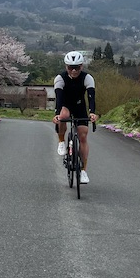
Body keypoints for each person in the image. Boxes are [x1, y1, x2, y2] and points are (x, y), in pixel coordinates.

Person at [53, 51, 97, 183]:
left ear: (81, 66)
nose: (73, 70)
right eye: (70, 67)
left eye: (76, 67)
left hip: (79, 106)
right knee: (63, 115)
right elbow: (59, 98)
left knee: (83, 135)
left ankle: (83, 170)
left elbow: (91, 97)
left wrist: (92, 112)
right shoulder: (60, 78)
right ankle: (61, 141)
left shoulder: (87, 78)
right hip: (65, 105)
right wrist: (57, 114)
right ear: (66, 67)